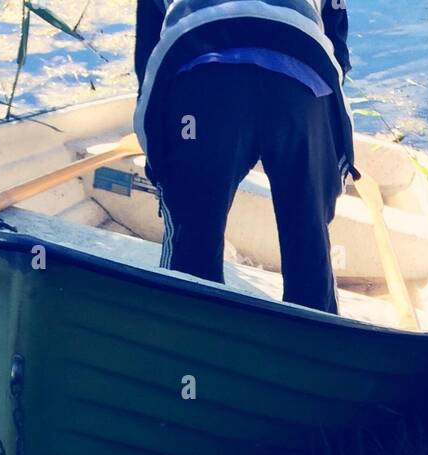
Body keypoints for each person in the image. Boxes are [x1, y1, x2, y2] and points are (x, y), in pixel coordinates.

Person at [134, 0, 355, 312]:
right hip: (303, 78)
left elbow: (149, 55)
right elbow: (337, 40)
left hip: (202, 79)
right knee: (309, 243)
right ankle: (314, 341)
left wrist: (161, 157)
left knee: (192, 244)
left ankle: (186, 335)